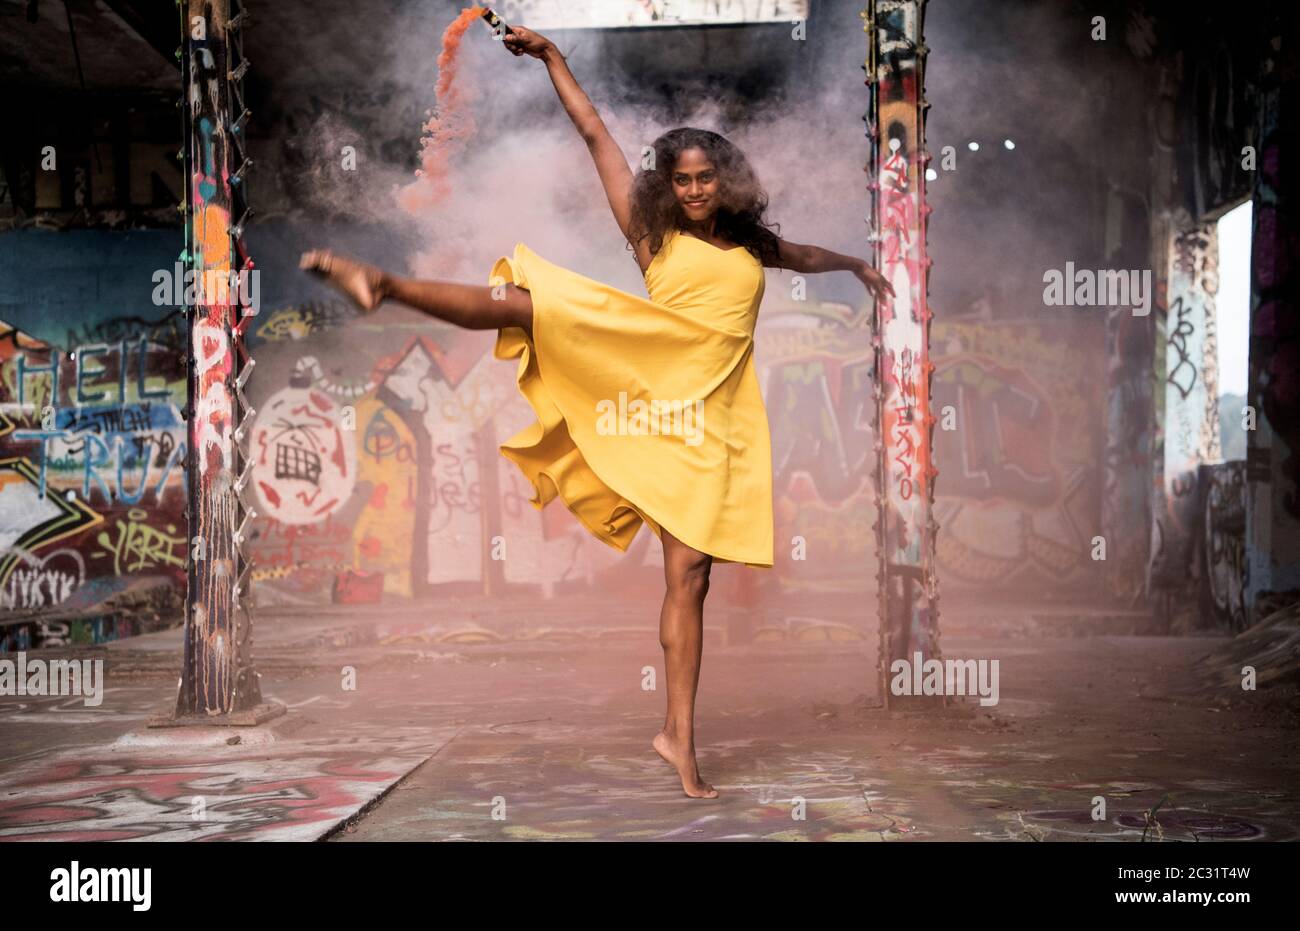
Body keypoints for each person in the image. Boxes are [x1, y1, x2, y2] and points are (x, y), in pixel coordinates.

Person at [301, 24, 892, 798]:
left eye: (705, 177)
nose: (692, 190)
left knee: (691, 579)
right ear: (666, 186)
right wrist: (553, 59)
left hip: (709, 421)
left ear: (726, 179)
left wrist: (853, 263)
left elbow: (804, 254)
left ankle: (678, 736)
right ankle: (387, 285)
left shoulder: (753, 247)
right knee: (525, 304)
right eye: (680, 179)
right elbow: (595, 134)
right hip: (646, 382)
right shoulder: (652, 236)